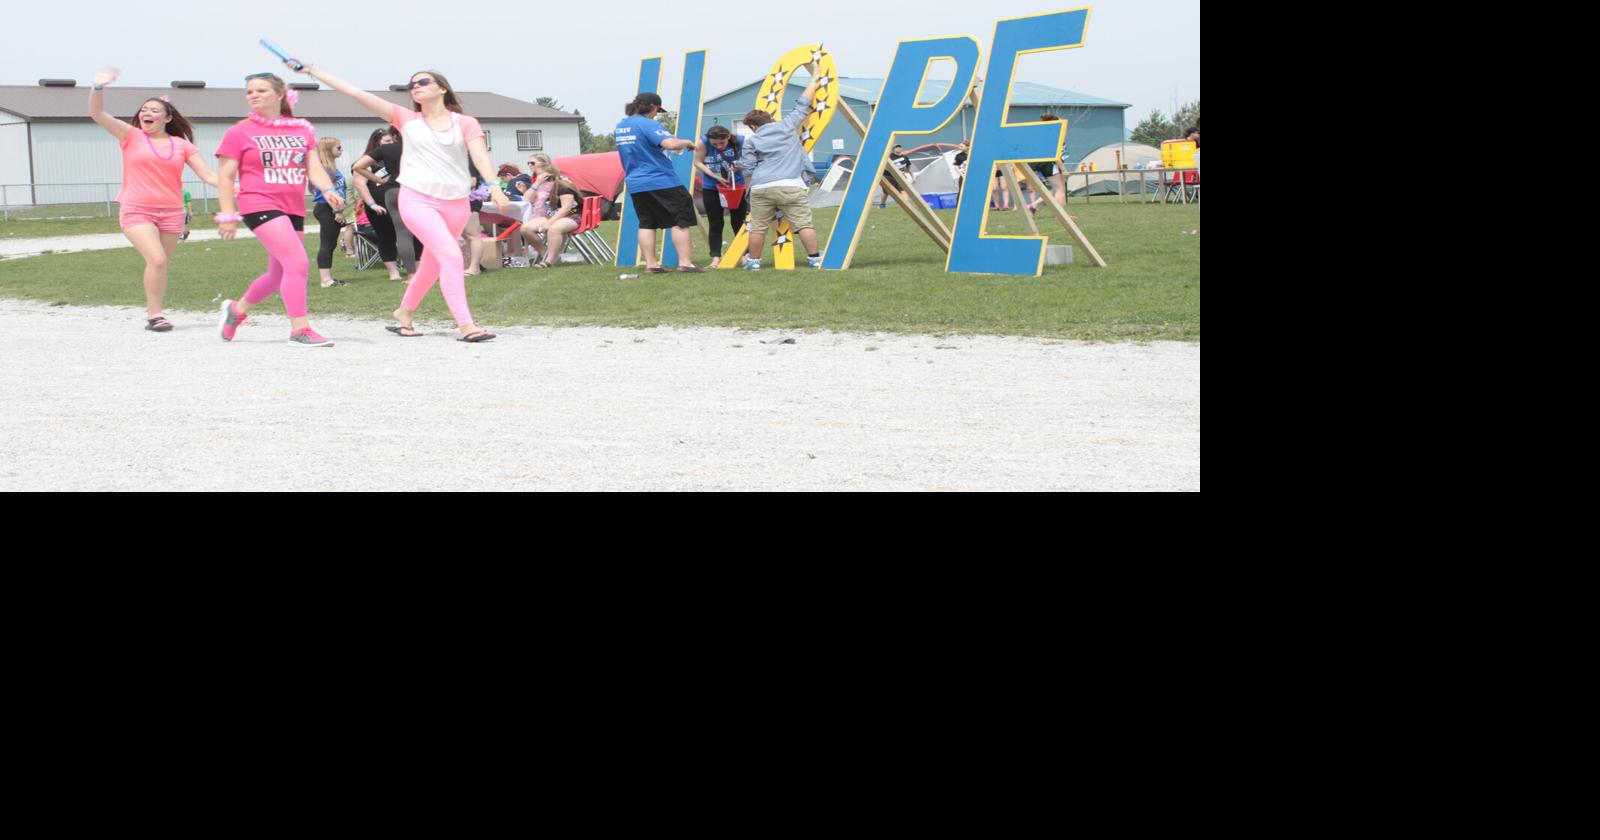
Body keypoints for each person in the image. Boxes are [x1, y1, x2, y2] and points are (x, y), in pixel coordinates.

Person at [298, 60, 512, 342]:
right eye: (412, 84)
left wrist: (494, 186)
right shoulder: (407, 119)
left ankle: (404, 312)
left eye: (423, 82)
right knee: (451, 255)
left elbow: (481, 156)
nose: (416, 87)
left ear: (442, 89)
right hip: (417, 199)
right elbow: (355, 92)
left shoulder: (465, 123)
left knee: (433, 263)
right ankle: (466, 325)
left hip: (456, 202)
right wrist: (314, 71)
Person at [214, 72, 344, 348]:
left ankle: (236, 311)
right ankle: (300, 330)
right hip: (258, 202)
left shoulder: (302, 130)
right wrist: (227, 215)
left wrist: (328, 189)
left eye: (261, 90)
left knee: (278, 274)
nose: (253, 95)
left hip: (292, 206)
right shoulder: (239, 132)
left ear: (280, 94)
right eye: (249, 91)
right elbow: (225, 176)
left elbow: (313, 166)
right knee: (298, 262)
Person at [88, 68, 218, 332]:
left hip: (172, 213)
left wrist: (233, 186)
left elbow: (207, 175)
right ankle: (155, 315)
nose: (147, 113)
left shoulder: (182, 146)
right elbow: (97, 114)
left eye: (154, 110)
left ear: (167, 118)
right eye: (144, 110)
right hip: (137, 211)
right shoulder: (131, 136)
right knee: (157, 259)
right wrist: (97, 87)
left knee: (160, 264)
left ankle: (156, 312)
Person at [733, 64, 824, 270]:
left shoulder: (751, 141)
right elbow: (803, 103)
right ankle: (815, 259)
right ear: (770, 120)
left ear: (753, 126)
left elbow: (748, 168)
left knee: (758, 227)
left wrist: (747, 185)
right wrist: (815, 77)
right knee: (804, 224)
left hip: (761, 188)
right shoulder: (788, 125)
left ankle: (754, 262)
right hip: (790, 185)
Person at [614, 92, 705, 273]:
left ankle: (651, 265)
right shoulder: (647, 123)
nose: (656, 114)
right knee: (681, 219)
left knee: (647, 222)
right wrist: (686, 142)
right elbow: (670, 144)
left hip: (636, 182)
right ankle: (685, 263)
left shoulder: (621, 126)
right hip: (660, 179)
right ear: (652, 106)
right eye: (657, 110)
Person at [351, 128, 405, 281]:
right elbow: (360, 184)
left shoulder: (396, 157)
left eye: (392, 140)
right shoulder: (367, 161)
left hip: (400, 203)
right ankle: (393, 272)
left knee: (406, 236)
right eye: (387, 141)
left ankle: (411, 268)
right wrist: (372, 204)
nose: (391, 143)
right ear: (377, 142)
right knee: (386, 237)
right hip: (379, 206)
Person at [693, 125, 748, 261]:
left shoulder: (741, 141)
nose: (719, 146)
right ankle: (716, 257)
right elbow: (697, 162)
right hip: (712, 187)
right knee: (715, 222)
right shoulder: (703, 143)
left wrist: (738, 167)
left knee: (739, 222)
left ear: (728, 137)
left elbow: (749, 160)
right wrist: (715, 176)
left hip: (736, 187)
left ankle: (745, 255)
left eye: (722, 143)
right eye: (715, 144)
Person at [524, 163, 582, 269]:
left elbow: (566, 208)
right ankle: (544, 253)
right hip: (552, 215)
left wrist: (549, 222)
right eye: (537, 176)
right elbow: (526, 199)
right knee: (525, 229)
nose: (539, 178)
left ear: (550, 176)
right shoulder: (541, 188)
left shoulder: (563, 186)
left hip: (572, 215)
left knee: (554, 229)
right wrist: (536, 183)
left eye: (541, 176)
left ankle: (549, 261)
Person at [312, 136, 350, 288]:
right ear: (328, 149)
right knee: (327, 244)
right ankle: (326, 280)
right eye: (338, 147)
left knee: (331, 244)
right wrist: (337, 212)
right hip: (327, 208)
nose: (341, 150)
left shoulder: (330, 167)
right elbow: (329, 192)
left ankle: (328, 278)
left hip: (330, 208)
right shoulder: (326, 169)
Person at [1026, 114, 1067, 213]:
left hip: (1044, 164)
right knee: (1060, 190)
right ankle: (1061, 214)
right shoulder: (1053, 135)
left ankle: (1034, 204)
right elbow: (1055, 155)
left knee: (1055, 189)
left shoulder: (1043, 133)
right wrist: (1064, 169)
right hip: (1050, 164)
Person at [878, 143, 912, 208]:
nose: (898, 148)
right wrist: (891, 147)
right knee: (886, 192)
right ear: (894, 149)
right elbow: (885, 156)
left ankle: (906, 205)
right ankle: (882, 204)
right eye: (896, 147)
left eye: (899, 147)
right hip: (888, 175)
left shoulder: (905, 157)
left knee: (903, 190)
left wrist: (912, 176)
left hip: (899, 176)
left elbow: (909, 167)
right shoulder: (891, 155)